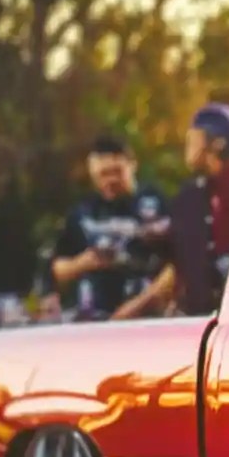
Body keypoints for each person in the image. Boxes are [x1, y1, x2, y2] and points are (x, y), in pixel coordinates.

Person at [48, 135, 172, 321]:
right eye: (103, 174)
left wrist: (143, 303)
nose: (111, 180)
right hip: (95, 317)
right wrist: (84, 262)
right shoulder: (83, 211)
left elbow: (177, 266)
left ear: (132, 165)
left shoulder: (156, 202)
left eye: (117, 172)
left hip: (146, 314)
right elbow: (58, 269)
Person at [162, 102, 229, 315]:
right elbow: (177, 268)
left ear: (218, 143)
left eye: (194, 139)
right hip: (194, 319)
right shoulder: (189, 196)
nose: (188, 145)